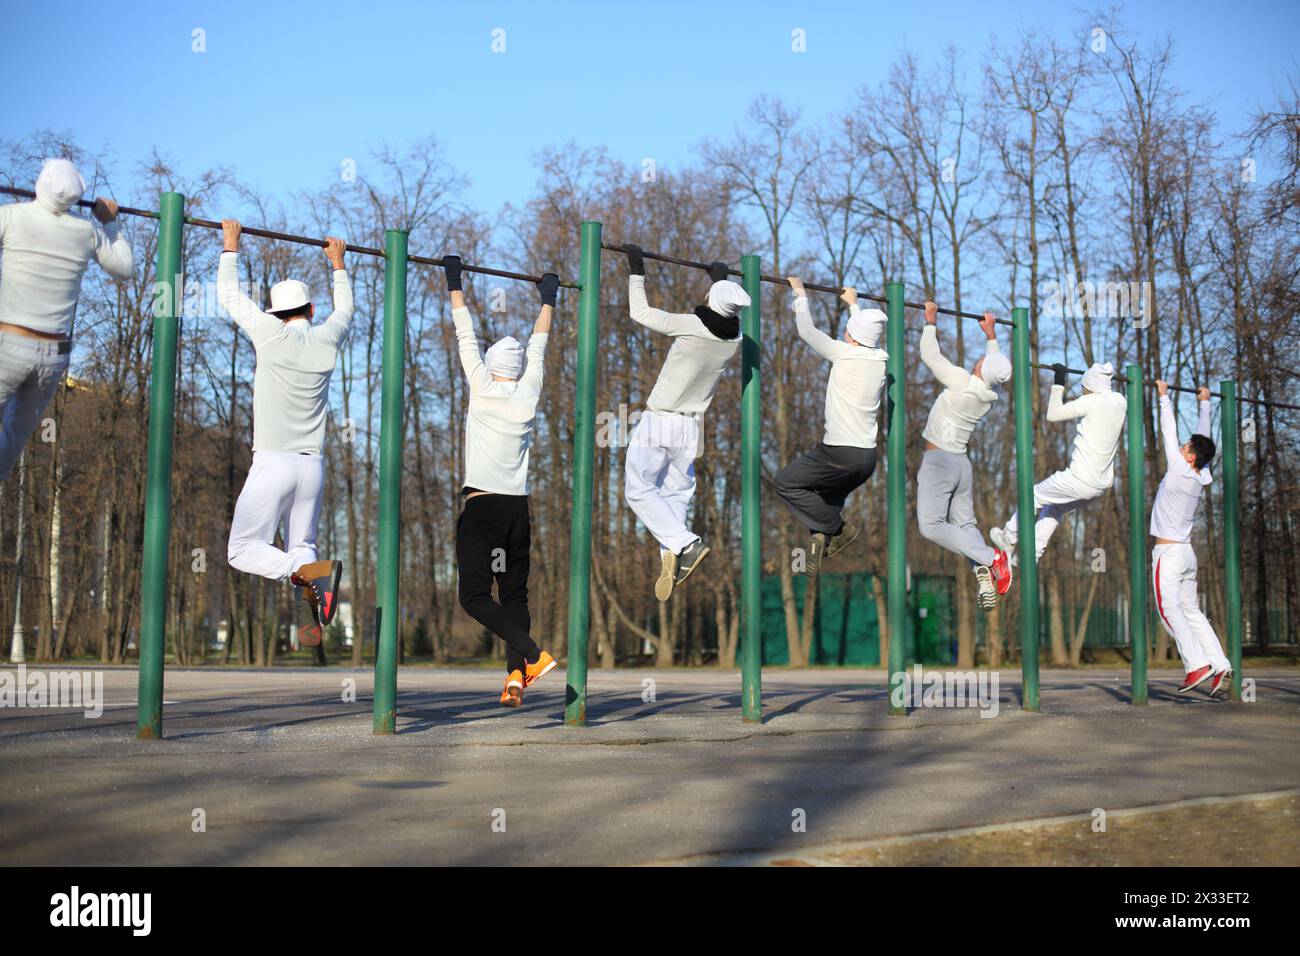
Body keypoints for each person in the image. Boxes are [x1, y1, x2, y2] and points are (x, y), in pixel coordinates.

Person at [218, 219, 351, 647]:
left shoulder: (269, 334)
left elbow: (229, 297)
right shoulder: (327, 339)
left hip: (274, 462)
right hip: (312, 467)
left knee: (241, 549)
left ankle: (309, 577)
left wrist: (231, 245)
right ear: (312, 311)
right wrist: (338, 265)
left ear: (276, 313)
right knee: (303, 544)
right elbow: (345, 312)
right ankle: (309, 615)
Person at [445, 255, 560, 708]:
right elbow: (540, 345)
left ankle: (532, 654)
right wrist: (548, 298)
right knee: (513, 594)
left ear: (492, 367)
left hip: (483, 508)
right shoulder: (528, 391)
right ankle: (515, 675)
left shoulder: (482, 385)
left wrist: (454, 279)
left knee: (474, 595)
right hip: (517, 511)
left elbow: (464, 333)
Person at [621, 243, 747, 602]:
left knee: (639, 489)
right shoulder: (735, 338)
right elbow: (725, 314)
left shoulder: (691, 326)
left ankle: (685, 543)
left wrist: (636, 269)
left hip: (661, 420)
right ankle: (672, 551)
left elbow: (639, 311)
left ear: (710, 301)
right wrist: (721, 282)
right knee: (675, 493)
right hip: (692, 428)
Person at [0, 158, 133, 479]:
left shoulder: (12, 216)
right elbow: (124, 268)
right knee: (13, 438)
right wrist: (110, 223)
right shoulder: (86, 231)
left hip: (9, 344)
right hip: (53, 355)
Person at [774, 278, 887, 573]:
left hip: (837, 454)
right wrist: (854, 306)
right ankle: (822, 537)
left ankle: (839, 531)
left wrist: (800, 294)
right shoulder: (879, 360)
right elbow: (864, 337)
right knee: (822, 498)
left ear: (850, 337)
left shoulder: (844, 353)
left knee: (786, 483)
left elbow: (807, 331)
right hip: (866, 461)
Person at [914, 301, 1013, 609]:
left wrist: (930, 321)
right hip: (961, 465)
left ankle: (991, 558)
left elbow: (931, 357)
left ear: (980, 370)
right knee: (966, 526)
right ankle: (983, 571)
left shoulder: (963, 382)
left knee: (930, 526)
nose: (979, 361)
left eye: (982, 360)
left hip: (939, 462)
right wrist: (991, 335)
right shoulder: (986, 396)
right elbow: (996, 365)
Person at [991, 361, 1127, 563]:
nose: (1082, 391)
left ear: (1090, 386)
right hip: (1100, 487)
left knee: (1033, 494)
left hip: (1079, 480)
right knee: (1054, 508)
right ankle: (1031, 555)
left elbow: (1053, 414)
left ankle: (1009, 537)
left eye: (1083, 387)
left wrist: (1058, 382)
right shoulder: (1119, 400)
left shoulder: (1091, 402)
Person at [1150, 381, 1230, 696]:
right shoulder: (1200, 475)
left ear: (1190, 457)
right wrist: (1205, 404)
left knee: (1168, 610)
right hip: (1186, 554)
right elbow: (1204, 441)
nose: (1181, 446)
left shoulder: (1178, 470)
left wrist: (1163, 397)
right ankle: (1220, 663)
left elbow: (1169, 432)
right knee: (1192, 611)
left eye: (1186, 448)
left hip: (1168, 555)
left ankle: (1197, 664)